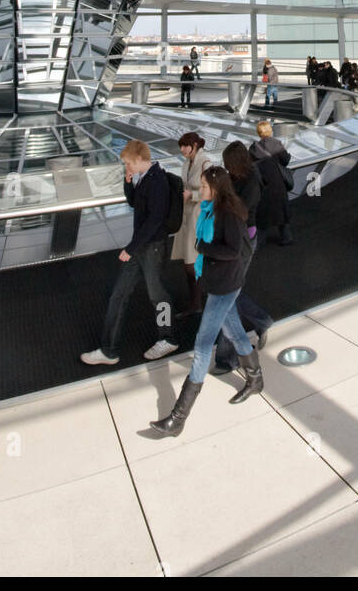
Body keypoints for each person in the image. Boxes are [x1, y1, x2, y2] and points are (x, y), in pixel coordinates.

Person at [150, 166, 261, 436]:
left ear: (218, 188)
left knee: (201, 347)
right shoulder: (212, 208)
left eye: (205, 186)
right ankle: (255, 380)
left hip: (224, 285)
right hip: (217, 282)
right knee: (234, 331)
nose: (202, 190)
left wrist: (203, 248)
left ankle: (178, 418)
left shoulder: (229, 214)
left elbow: (233, 250)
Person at [80, 139, 179, 365]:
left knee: (158, 296)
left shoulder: (158, 181)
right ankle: (109, 350)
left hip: (152, 247)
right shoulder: (144, 178)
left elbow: (155, 220)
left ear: (138, 159)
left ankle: (168, 337)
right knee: (119, 294)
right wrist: (128, 183)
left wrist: (131, 248)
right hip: (141, 246)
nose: (127, 167)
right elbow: (136, 204)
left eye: (128, 164)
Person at [213, 143, 272, 373]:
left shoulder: (251, 181)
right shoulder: (236, 177)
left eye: (229, 165)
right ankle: (261, 321)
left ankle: (227, 357)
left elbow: (241, 211)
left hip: (243, 242)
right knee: (231, 296)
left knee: (227, 298)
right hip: (234, 239)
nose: (228, 169)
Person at [172, 131, 212, 314]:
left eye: (185, 146)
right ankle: (198, 300)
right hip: (187, 215)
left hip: (198, 217)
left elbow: (212, 192)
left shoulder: (206, 163)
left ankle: (196, 303)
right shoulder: (186, 163)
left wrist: (192, 195)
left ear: (195, 145)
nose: (182, 149)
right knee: (189, 261)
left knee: (191, 261)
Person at [249, 120, 293, 245]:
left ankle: (259, 241)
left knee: (263, 213)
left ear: (259, 133)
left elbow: (250, 165)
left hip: (262, 184)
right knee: (282, 211)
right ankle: (286, 237)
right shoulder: (276, 143)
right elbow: (285, 160)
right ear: (270, 131)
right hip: (277, 182)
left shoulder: (253, 148)